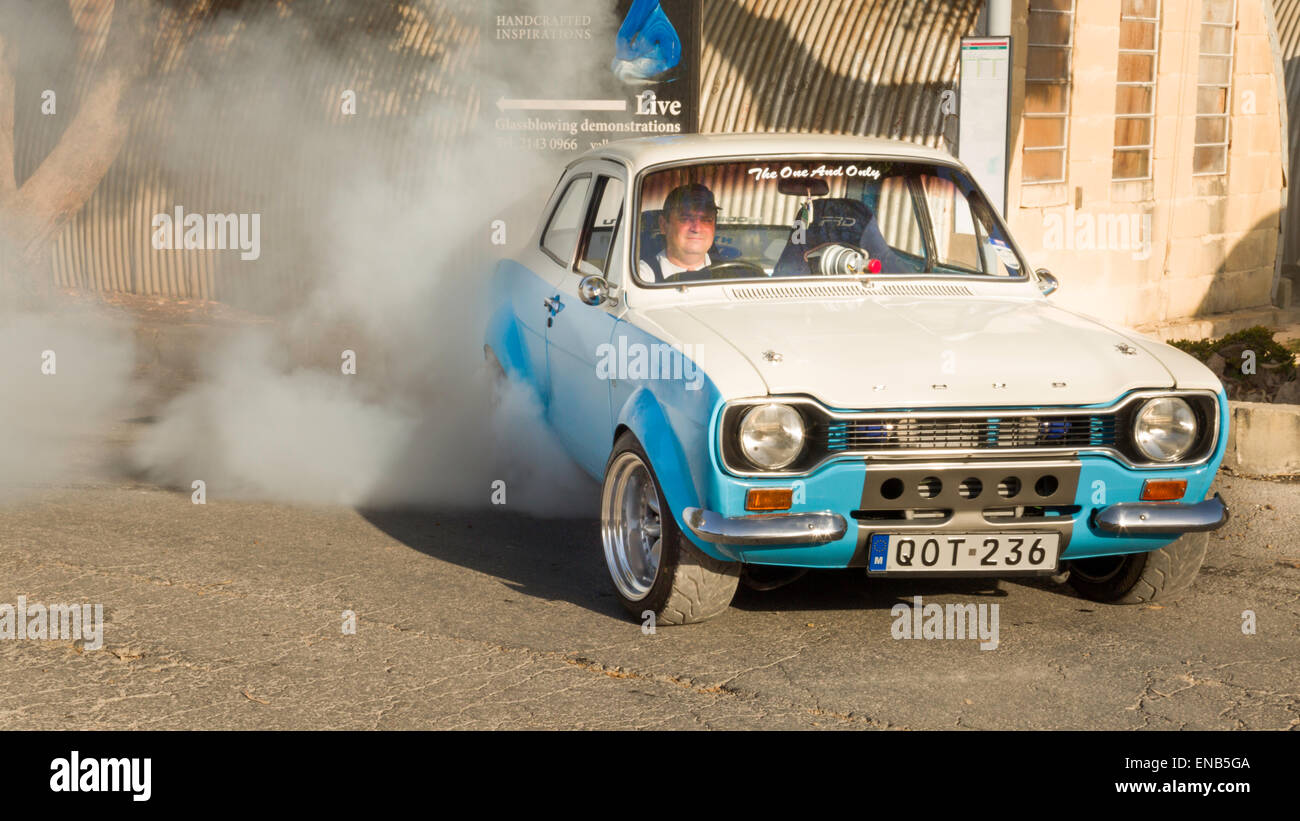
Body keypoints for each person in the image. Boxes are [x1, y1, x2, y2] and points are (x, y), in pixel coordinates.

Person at [639, 183, 718, 281]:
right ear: (663, 225)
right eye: (685, 219)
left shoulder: (732, 273)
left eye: (706, 219)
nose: (696, 229)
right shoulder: (642, 277)